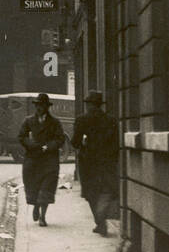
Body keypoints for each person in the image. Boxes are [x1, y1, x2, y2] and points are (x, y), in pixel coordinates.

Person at [72, 90, 118, 236]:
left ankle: (100, 220)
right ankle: (100, 221)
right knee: (105, 189)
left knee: (91, 192)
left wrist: (84, 143)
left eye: (88, 104)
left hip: (88, 162)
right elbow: (116, 143)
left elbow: (75, 143)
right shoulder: (111, 120)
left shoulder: (81, 120)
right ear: (100, 105)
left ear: (90, 105)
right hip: (107, 161)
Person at [19, 92, 66, 226]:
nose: (39, 108)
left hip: (49, 160)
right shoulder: (28, 121)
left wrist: (48, 146)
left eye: (42, 105)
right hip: (33, 159)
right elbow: (21, 137)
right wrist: (31, 145)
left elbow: (60, 139)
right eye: (37, 105)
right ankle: (35, 206)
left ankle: (43, 217)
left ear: (47, 107)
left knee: (46, 188)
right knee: (33, 186)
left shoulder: (55, 122)